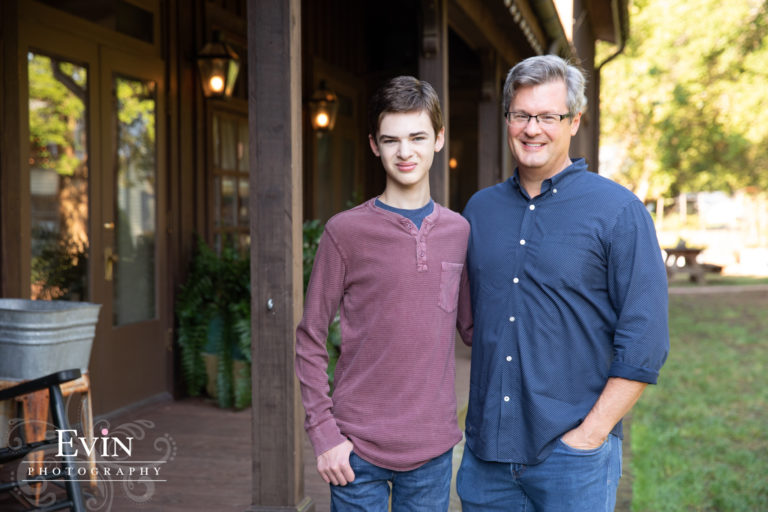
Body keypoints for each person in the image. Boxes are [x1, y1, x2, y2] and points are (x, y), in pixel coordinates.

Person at [457, 54, 669, 511]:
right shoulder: (478, 211)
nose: (533, 129)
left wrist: (589, 436)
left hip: (573, 459)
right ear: (508, 119)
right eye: (521, 115)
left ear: (574, 121)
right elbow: (470, 321)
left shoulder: (618, 211)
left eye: (548, 116)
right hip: (485, 459)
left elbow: (646, 340)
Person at [295, 75, 472, 511]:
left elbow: (475, 328)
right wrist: (324, 436)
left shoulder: (459, 231)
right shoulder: (345, 232)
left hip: (431, 449)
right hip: (355, 449)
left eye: (417, 137)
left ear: (439, 139)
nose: (405, 152)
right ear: (374, 144)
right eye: (391, 140)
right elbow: (310, 337)